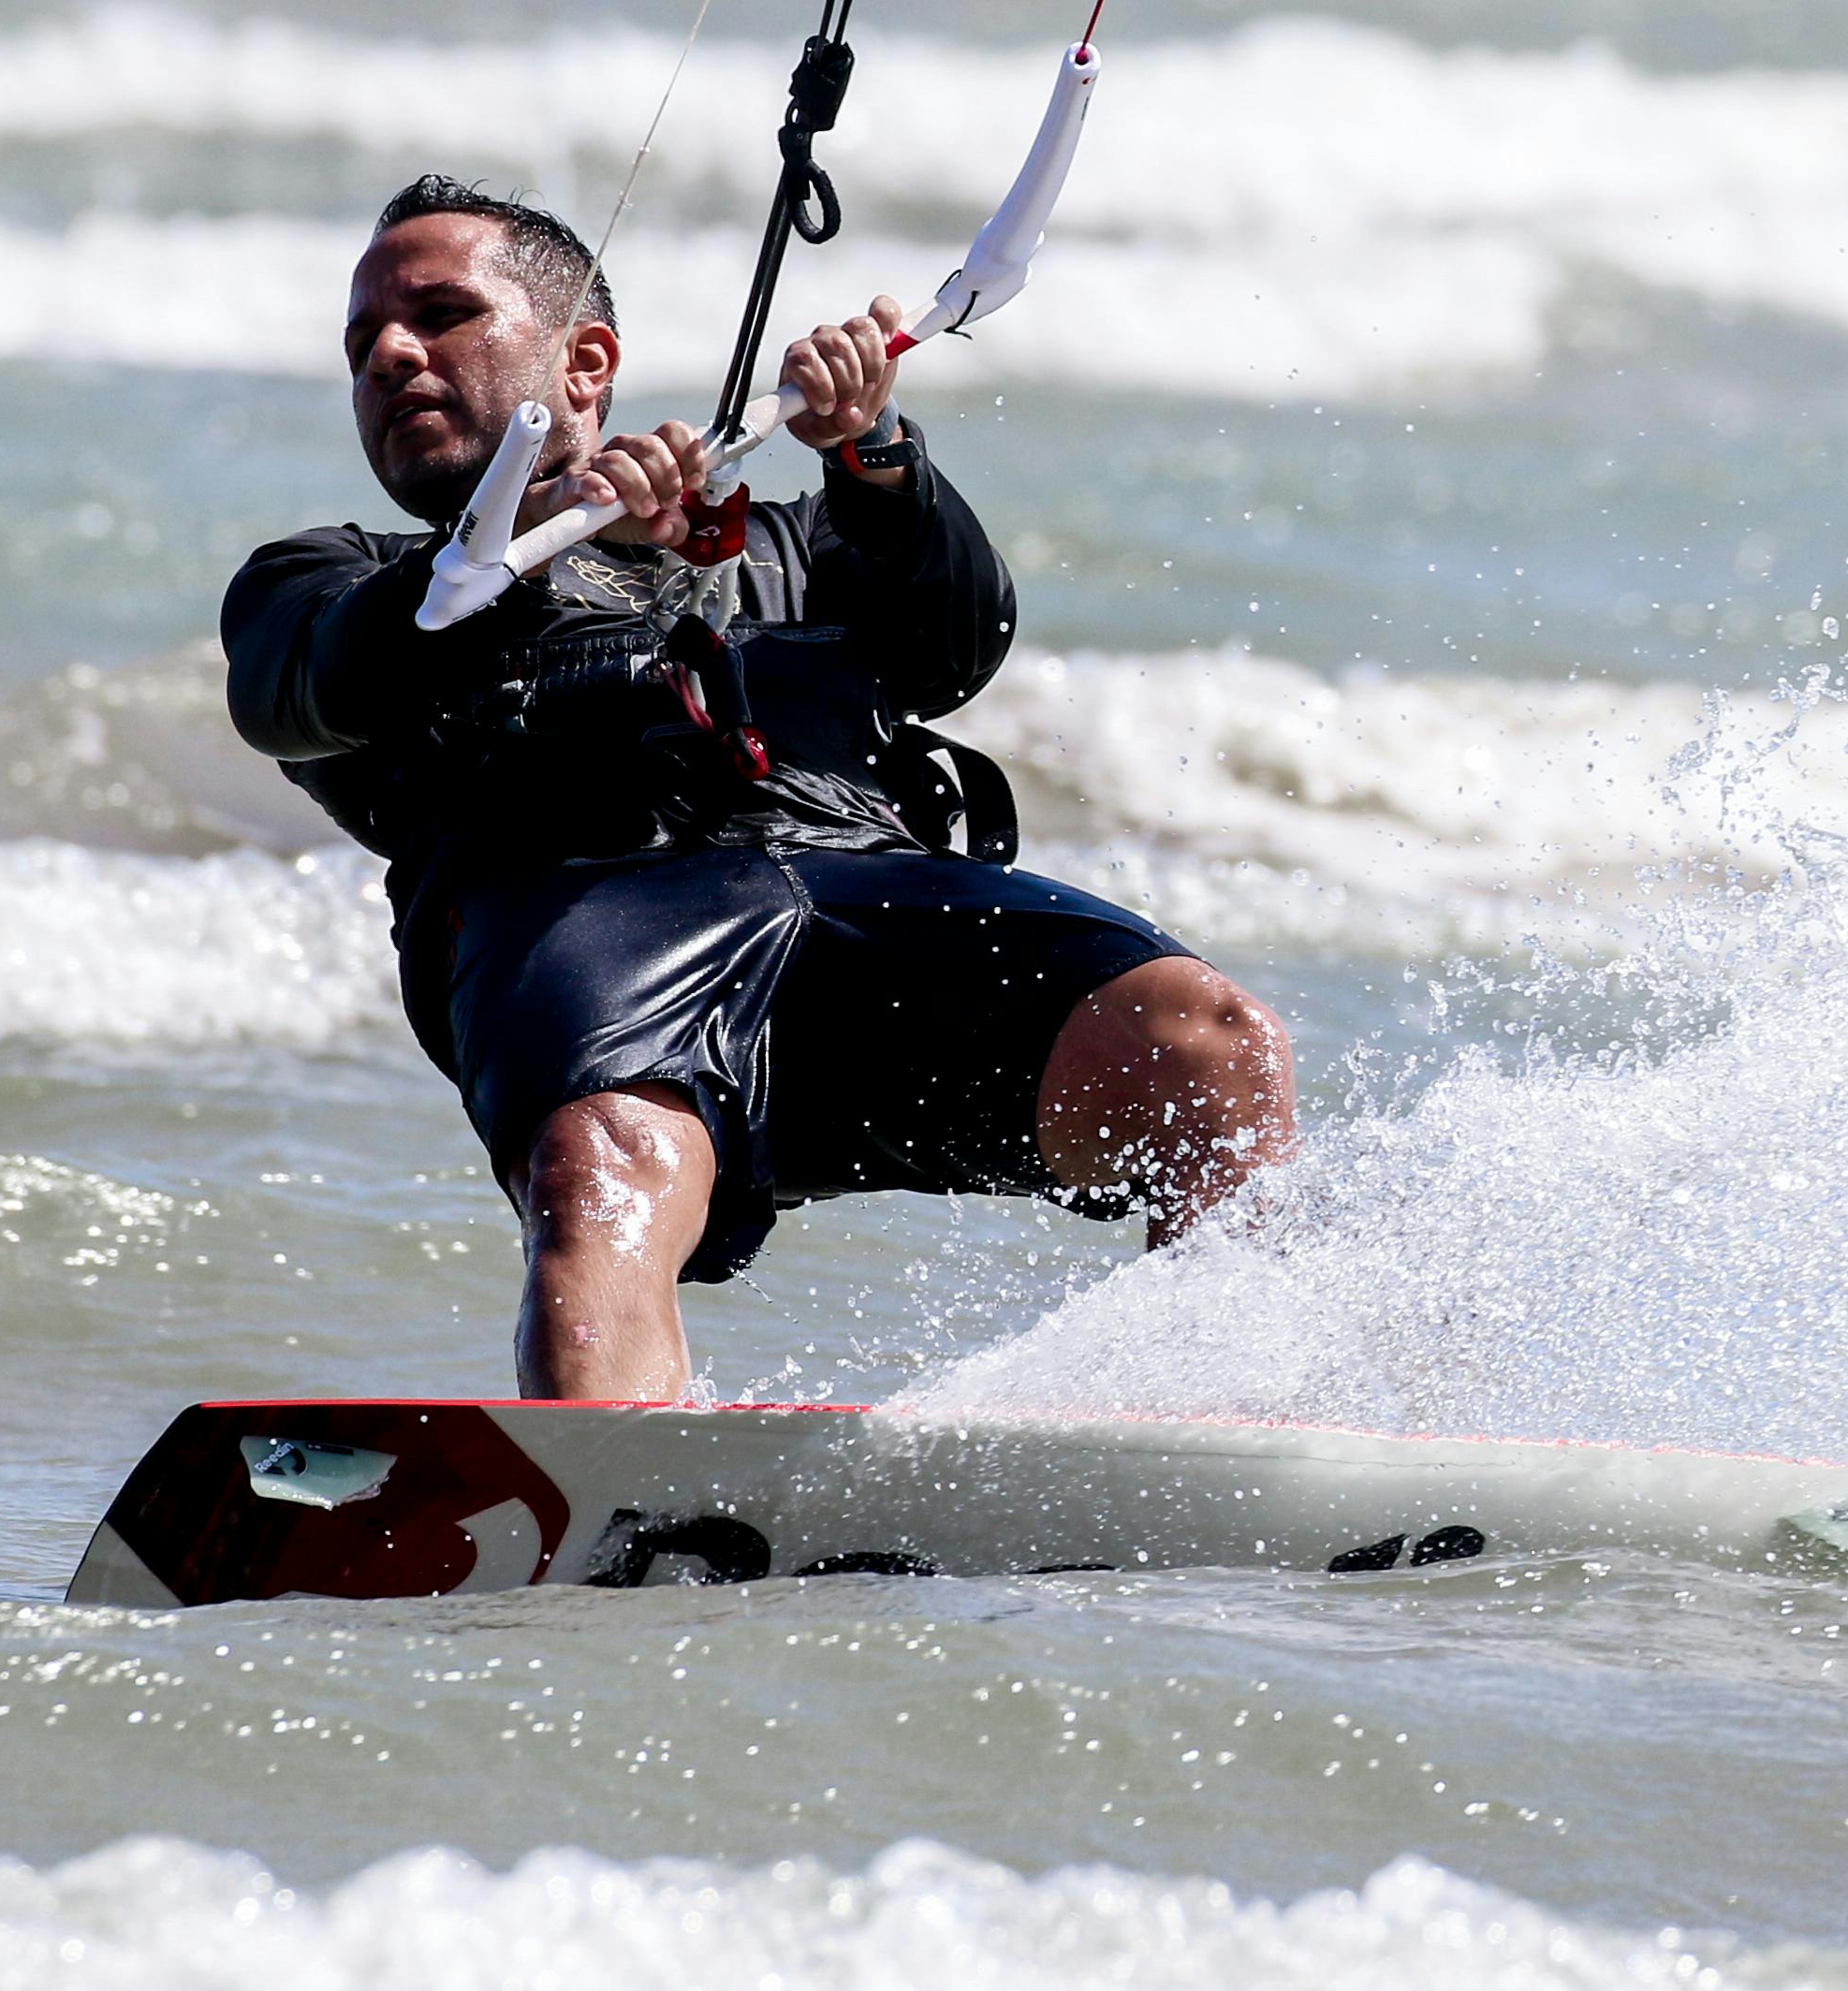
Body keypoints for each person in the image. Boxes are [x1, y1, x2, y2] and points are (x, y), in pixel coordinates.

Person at [225, 174, 1296, 1398]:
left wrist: (874, 454)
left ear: (586, 364)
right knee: (599, 1168)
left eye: (441, 315)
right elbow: (307, 685)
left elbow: (953, 647)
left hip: (863, 897)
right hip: (588, 923)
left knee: (1211, 1047)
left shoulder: (783, 549)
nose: (391, 354)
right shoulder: (323, 587)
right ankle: (610, 1496)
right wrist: (549, 526)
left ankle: (1230, 1423)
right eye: (364, 342)